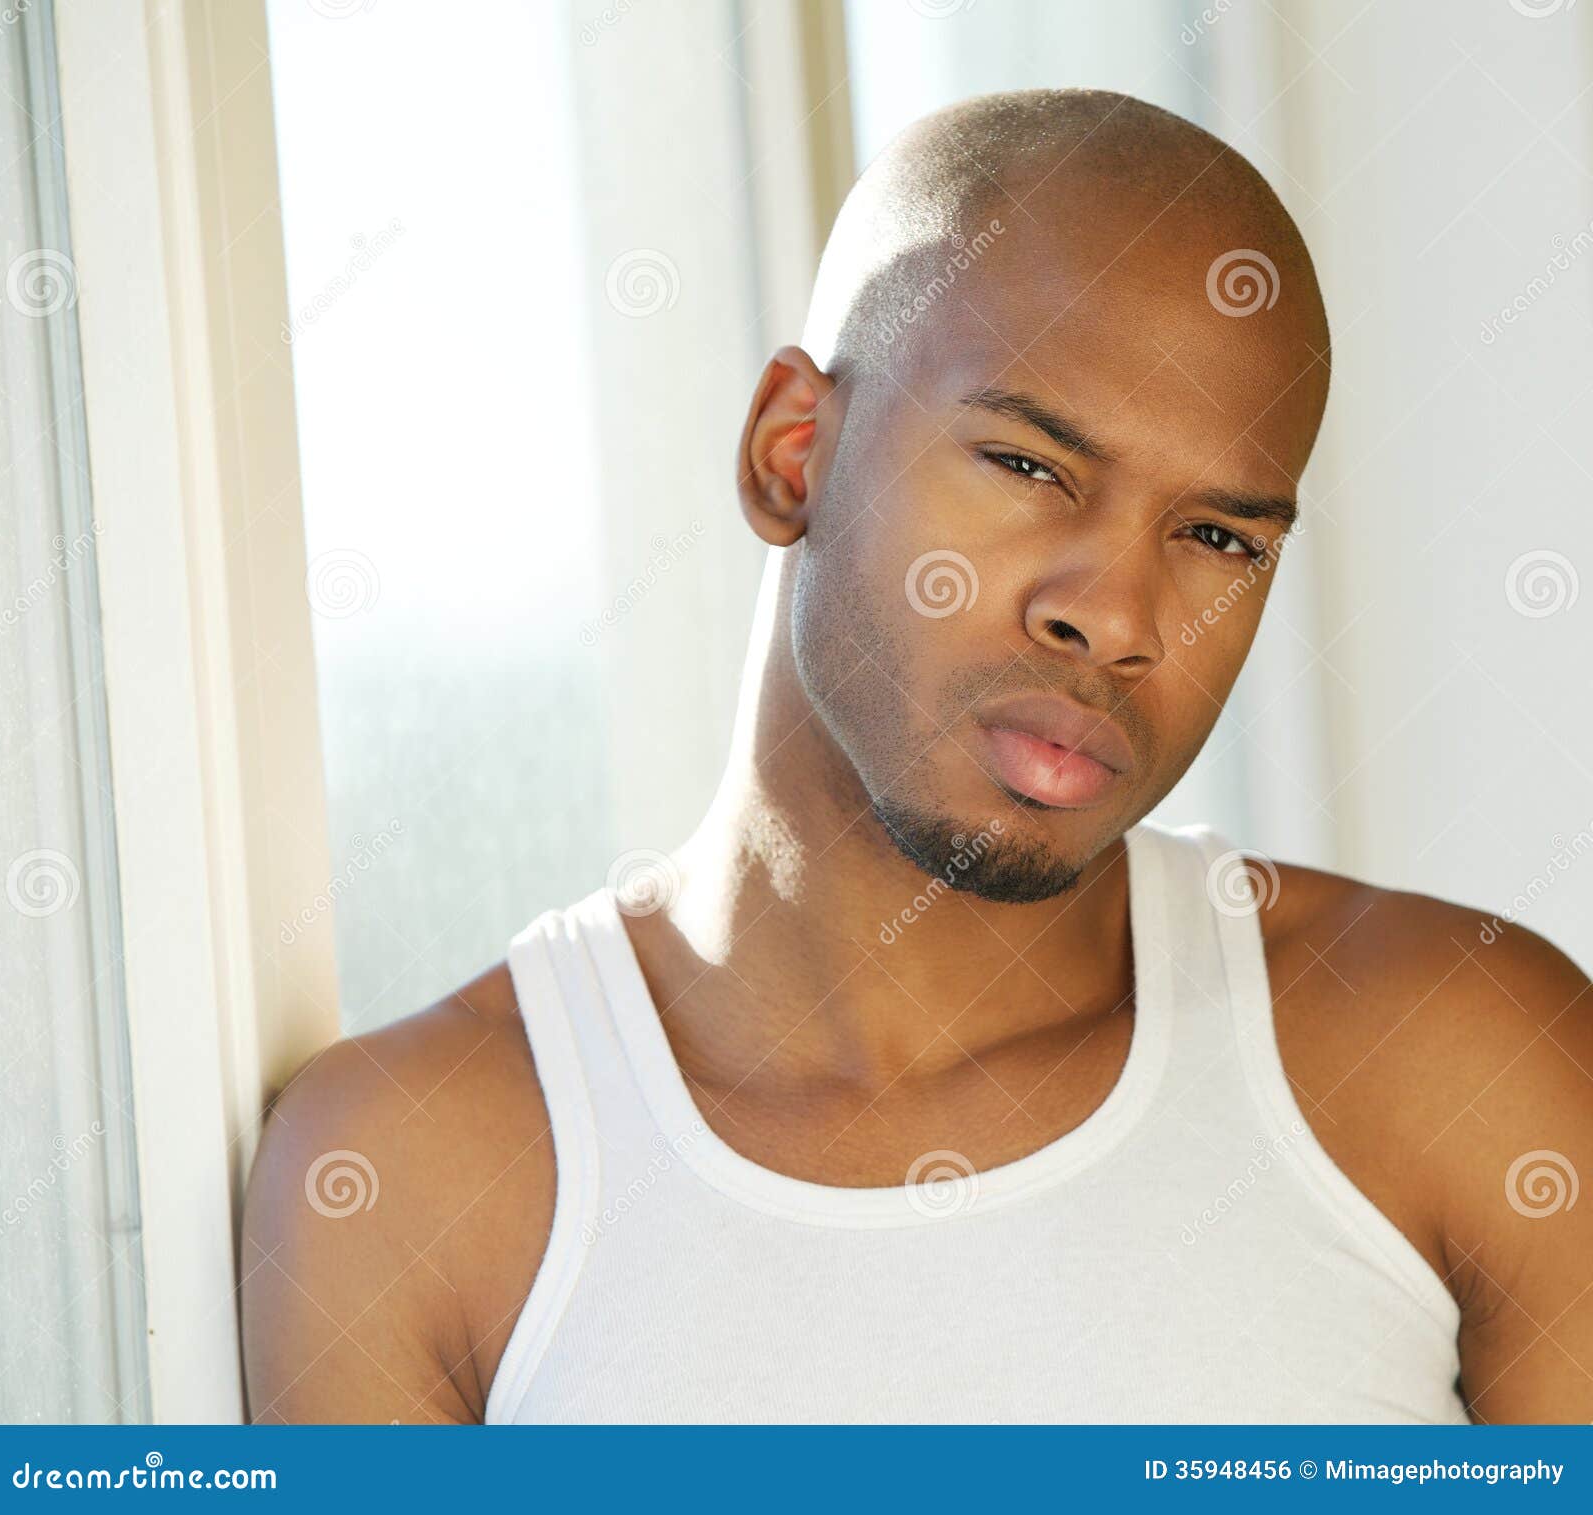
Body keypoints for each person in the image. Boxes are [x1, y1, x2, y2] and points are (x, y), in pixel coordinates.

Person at [241, 88, 1593, 1424]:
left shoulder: (1460, 1059)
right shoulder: (416, 1176)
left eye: (1221, 539)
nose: (1117, 618)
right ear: (793, 456)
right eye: (1030, 466)